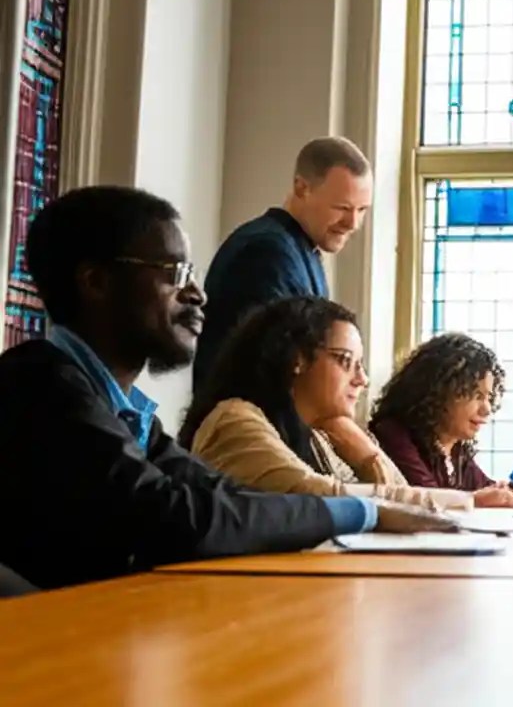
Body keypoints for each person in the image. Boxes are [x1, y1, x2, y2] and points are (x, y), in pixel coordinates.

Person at [0, 187, 448, 589]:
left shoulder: (125, 413)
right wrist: (364, 514)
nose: (198, 294)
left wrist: (371, 513)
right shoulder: (39, 387)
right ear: (96, 281)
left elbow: (225, 494)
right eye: (174, 274)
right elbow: (179, 518)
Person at [180, 297, 473, 511]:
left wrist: (368, 456)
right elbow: (322, 498)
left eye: (361, 365)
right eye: (346, 361)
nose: (363, 379)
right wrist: (465, 502)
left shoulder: (322, 434)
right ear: (298, 359)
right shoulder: (234, 419)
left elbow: (401, 501)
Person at [194, 136, 372, 389]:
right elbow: (274, 376)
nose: (352, 223)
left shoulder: (297, 251)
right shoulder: (267, 253)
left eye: (362, 209)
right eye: (342, 207)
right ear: (301, 188)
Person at [370, 332, 513, 506]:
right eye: (476, 396)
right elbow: (429, 500)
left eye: (488, 397)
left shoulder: (455, 450)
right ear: (439, 390)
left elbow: (492, 493)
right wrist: (479, 500)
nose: (486, 409)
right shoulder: (394, 434)